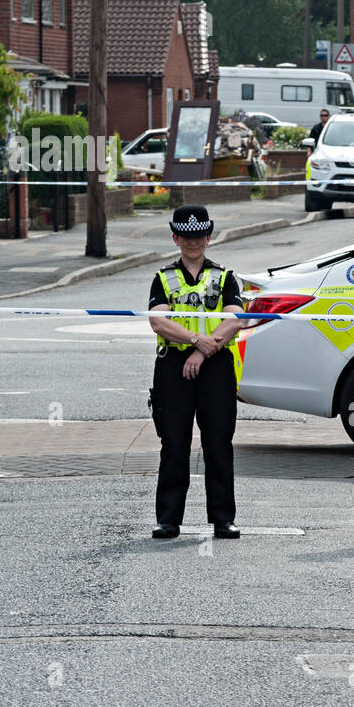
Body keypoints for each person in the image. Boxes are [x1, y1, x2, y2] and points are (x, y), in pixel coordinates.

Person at [147, 205, 245, 541]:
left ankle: (223, 519)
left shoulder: (225, 277)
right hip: (174, 365)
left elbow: (235, 319)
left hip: (214, 366)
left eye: (200, 235)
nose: (193, 242)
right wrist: (194, 340)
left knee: (218, 442)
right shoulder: (163, 278)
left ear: (209, 237)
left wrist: (202, 352)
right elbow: (158, 321)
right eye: (186, 236)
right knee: (174, 442)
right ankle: (168, 520)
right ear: (175, 238)